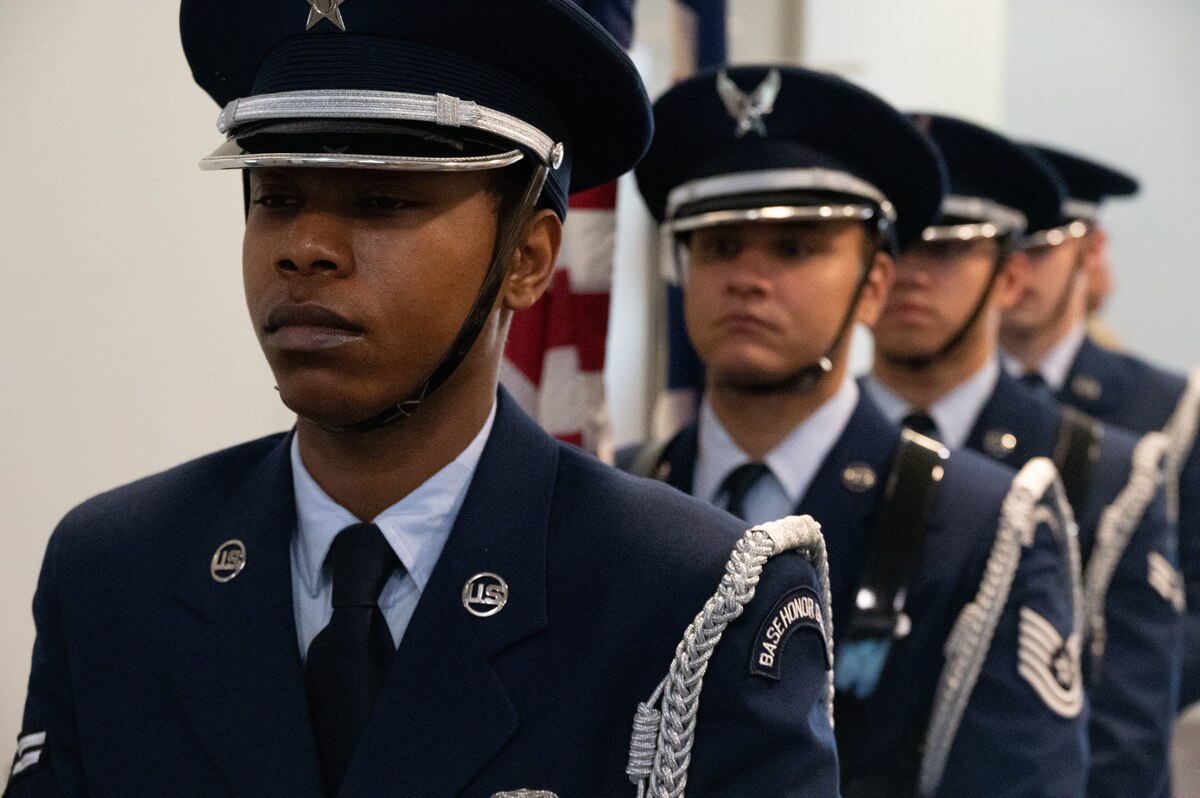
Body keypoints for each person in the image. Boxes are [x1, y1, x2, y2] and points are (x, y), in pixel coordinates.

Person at [2, 3, 841, 796]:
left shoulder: (686, 600)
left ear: (529, 259)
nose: (305, 249)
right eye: (277, 197)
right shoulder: (114, 573)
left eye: (382, 200)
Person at [623, 65, 1086, 797]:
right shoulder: (621, 494)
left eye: (794, 249)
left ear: (874, 287)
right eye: (716, 247)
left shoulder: (978, 524)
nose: (745, 277)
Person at [867, 113, 1181, 798]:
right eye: (896, 246)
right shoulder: (819, 448)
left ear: (1005, 279)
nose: (913, 275)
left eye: (946, 251)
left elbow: (1124, 751)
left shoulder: (1108, 471)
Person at [1001, 144, 1200, 711]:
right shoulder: (935, 409)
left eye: (1037, 249)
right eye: (1001, 250)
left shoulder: (1170, 407)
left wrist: (1093, 697)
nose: (1015, 271)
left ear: (1091, 250)